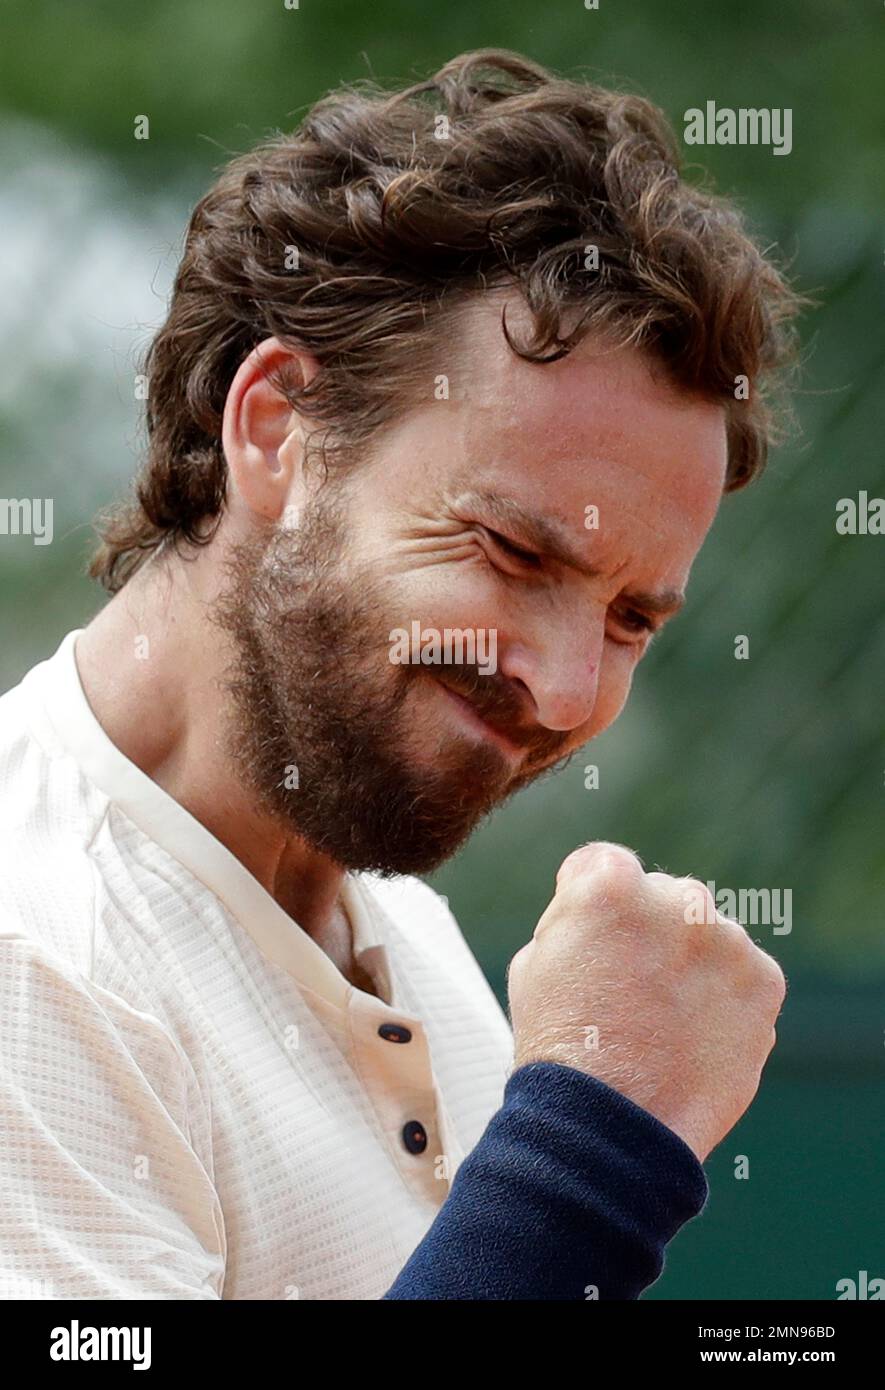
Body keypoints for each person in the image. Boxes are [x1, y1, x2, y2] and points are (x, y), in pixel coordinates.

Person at [0, 48, 797, 1300]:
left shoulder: (403, 936)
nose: (567, 688)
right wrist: (587, 1152)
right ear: (276, 429)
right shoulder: (28, 955)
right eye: (511, 548)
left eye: (634, 618)